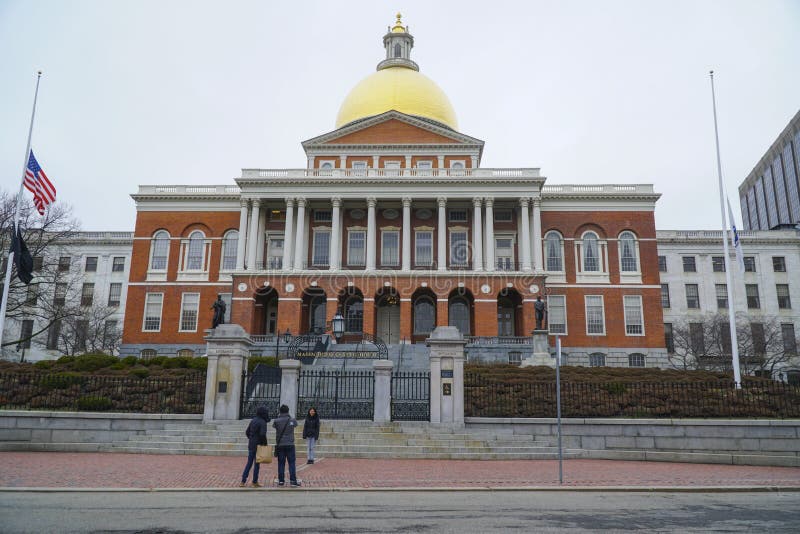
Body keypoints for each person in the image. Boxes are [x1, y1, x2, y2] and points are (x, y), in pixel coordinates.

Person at [240, 406, 269, 488]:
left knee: (249, 463)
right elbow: (262, 434)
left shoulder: (253, 420)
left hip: (251, 444)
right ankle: (254, 481)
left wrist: (251, 438)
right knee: (257, 464)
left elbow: (247, 432)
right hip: (259, 445)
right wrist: (264, 444)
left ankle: (243, 481)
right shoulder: (263, 422)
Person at [273, 404, 300, 487]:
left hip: (280, 444)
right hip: (290, 444)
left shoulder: (276, 421)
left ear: (280, 411)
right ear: (288, 411)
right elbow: (295, 425)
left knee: (281, 463)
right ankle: (293, 480)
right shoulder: (292, 420)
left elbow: (274, 426)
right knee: (291, 462)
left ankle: (281, 481)